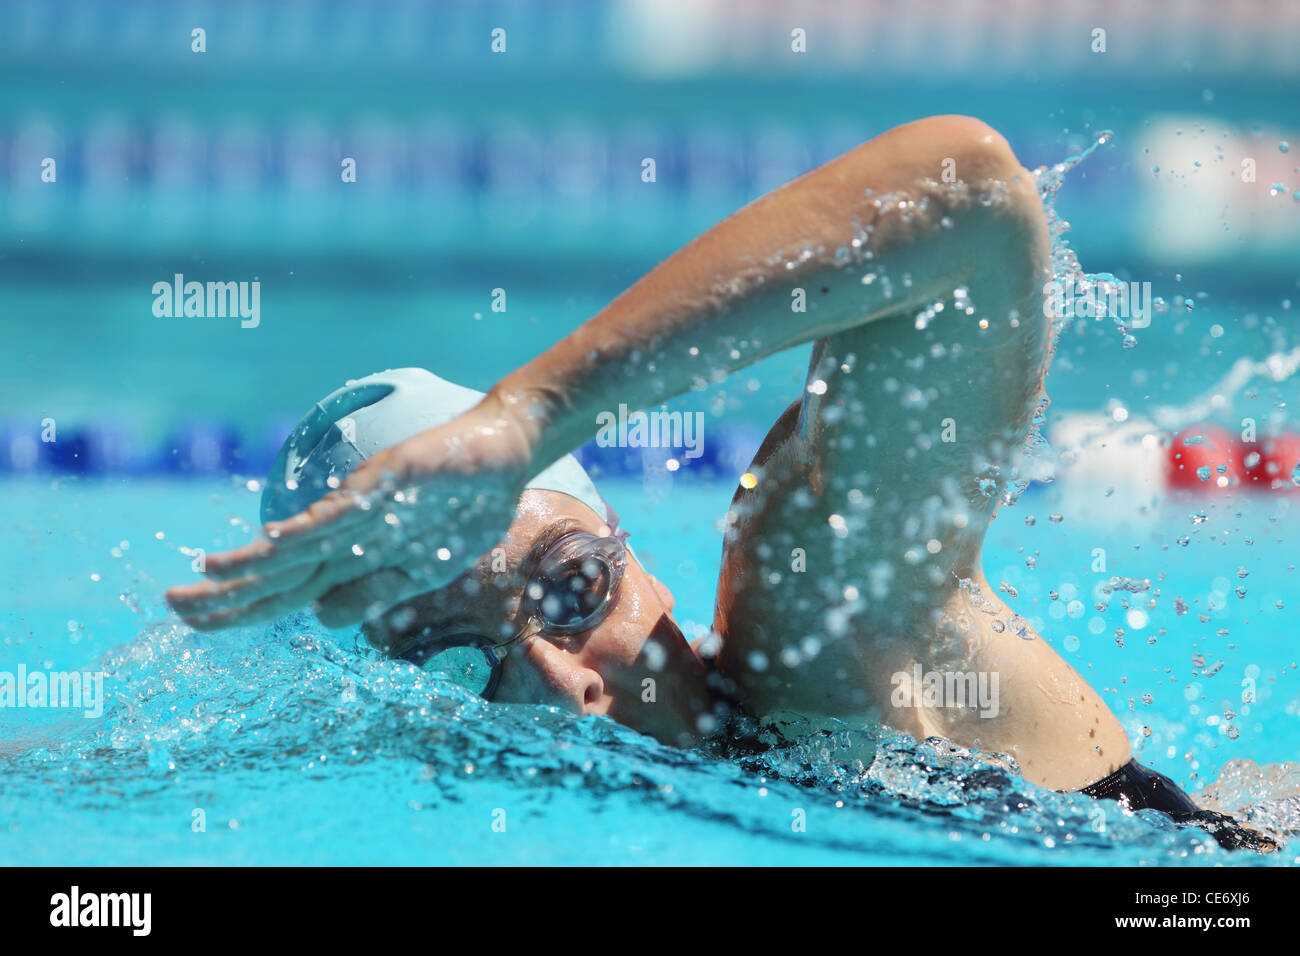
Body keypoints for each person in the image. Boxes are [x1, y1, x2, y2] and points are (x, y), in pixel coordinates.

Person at [166, 116, 1275, 851]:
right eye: (464, 667)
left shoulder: (825, 630)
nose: (559, 684)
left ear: (621, 534)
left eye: (569, 589)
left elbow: (973, 201)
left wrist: (527, 416)